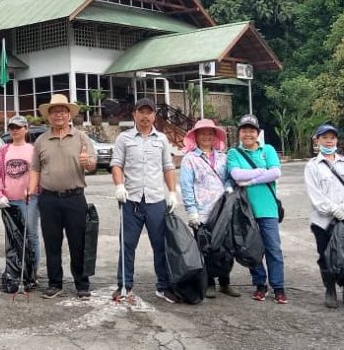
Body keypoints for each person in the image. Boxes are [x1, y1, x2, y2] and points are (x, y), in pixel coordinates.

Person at [111, 98, 180, 303]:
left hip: (155, 200)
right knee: (127, 244)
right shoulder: (124, 138)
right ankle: (124, 285)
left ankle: (163, 286)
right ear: (134, 115)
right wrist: (119, 185)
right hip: (131, 199)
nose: (145, 116)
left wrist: (173, 193)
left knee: (160, 245)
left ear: (154, 116)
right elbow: (116, 164)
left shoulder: (162, 139)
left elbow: (168, 167)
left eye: (149, 113)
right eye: (141, 112)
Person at [28, 94, 96, 299]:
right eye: (54, 111)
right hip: (48, 199)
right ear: (49, 116)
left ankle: (82, 284)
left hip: (75, 198)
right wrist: (30, 190)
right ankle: (54, 283)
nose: (58, 115)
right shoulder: (41, 140)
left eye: (62, 111)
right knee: (52, 243)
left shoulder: (81, 137)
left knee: (78, 243)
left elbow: (92, 164)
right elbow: (35, 169)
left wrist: (87, 163)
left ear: (69, 115)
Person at [226, 114, 287, 304]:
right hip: (245, 211)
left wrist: (250, 180)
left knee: (273, 249)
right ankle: (260, 284)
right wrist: (262, 171)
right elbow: (236, 174)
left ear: (258, 133)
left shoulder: (267, 149)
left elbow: (276, 172)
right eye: (244, 130)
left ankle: (278, 287)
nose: (248, 134)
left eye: (252, 130)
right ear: (239, 133)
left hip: (268, 208)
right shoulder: (234, 153)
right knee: (252, 249)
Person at [304, 124, 344, 309]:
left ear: (337, 140)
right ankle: (330, 290)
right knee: (326, 256)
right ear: (318, 140)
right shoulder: (312, 166)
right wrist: (333, 209)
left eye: (332, 137)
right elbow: (315, 195)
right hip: (323, 222)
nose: (329, 140)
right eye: (324, 137)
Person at [179, 118, 239, 299]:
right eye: (203, 133)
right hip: (202, 212)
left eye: (210, 133)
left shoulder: (223, 157)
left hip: (222, 210)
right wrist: (192, 212)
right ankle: (209, 283)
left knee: (226, 248)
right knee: (206, 248)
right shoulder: (190, 159)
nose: (206, 136)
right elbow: (186, 186)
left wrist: (228, 186)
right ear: (196, 136)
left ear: (215, 136)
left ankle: (225, 282)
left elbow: (230, 177)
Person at [0, 115, 40, 281]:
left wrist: (33, 188)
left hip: (29, 200)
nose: (14, 131)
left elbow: (39, 172)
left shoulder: (34, 150)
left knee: (31, 235)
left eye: (18, 127)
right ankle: (15, 271)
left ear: (26, 129)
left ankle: (32, 271)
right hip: (9, 201)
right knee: (12, 237)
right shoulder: (2, 150)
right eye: (12, 127)